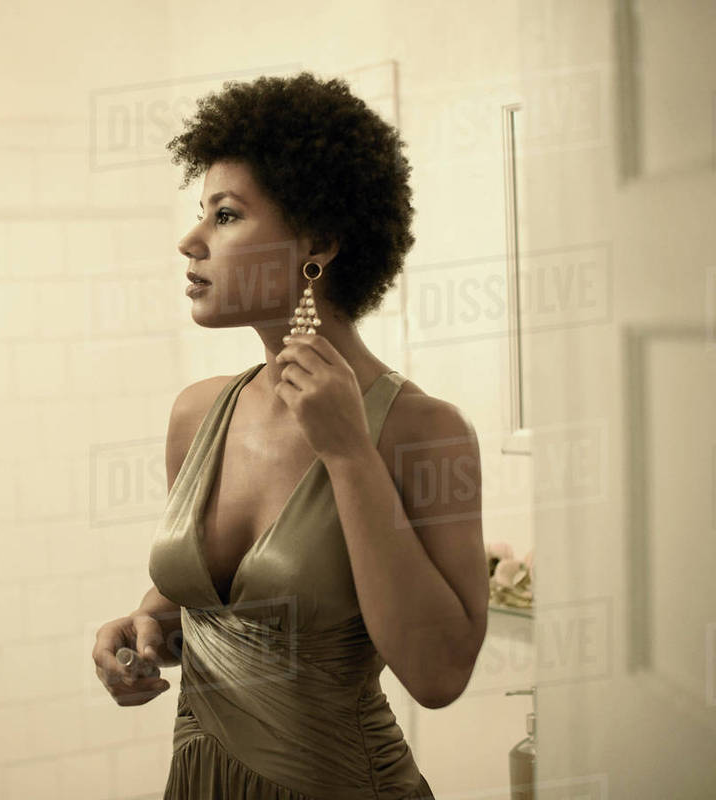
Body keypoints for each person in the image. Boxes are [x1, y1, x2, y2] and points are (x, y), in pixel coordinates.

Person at [92, 71, 488, 799]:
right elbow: (227, 618)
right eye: (200, 212)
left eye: (226, 215)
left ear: (321, 242)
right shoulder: (197, 414)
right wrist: (144, 633)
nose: (191, 241)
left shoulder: (422, 431)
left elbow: (438, 676)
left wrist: (348, 453)